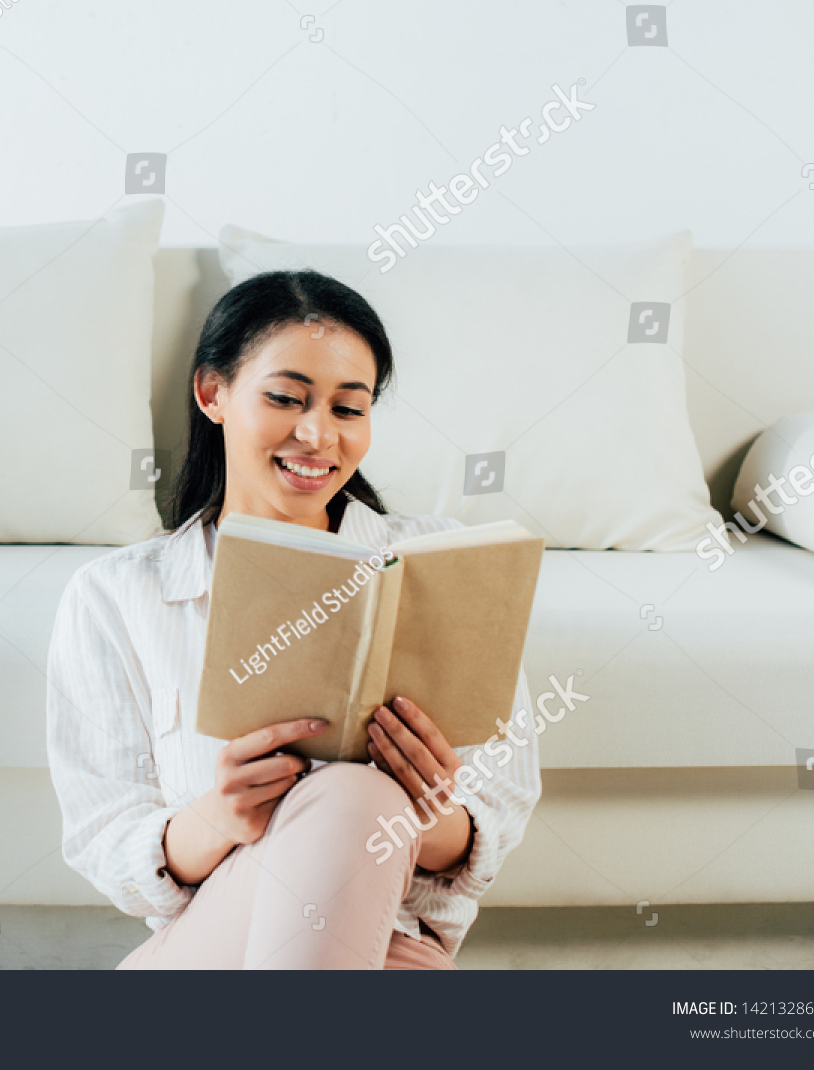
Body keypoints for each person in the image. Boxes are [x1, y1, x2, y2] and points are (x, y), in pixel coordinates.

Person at [45, 269, 540, 969]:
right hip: (216, 942)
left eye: (349, 409)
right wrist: (217, 815)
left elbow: (502, 801)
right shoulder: (116, 595)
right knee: (353, 794)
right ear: (213, 393)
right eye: (285, 398)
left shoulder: (439, 561)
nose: (317, 435)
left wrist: (421, 813)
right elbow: (106, 835)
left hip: (389, 943)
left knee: (358, 797)